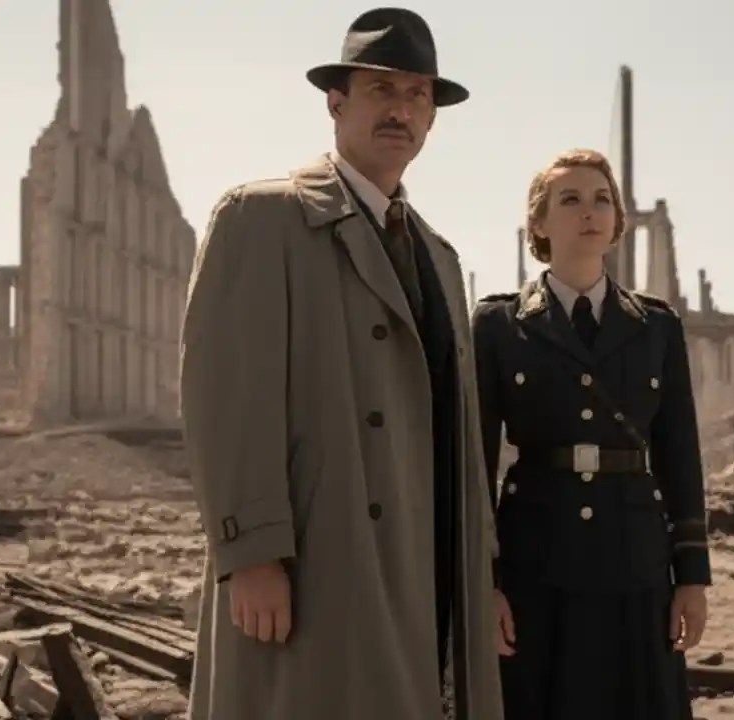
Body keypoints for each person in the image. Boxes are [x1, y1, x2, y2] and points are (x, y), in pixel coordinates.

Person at [178, 7, 502, 720]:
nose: (403, 110)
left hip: (423, 564)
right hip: (320, 557)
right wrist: (251, 553)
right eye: (382, 90)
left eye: (419, 94)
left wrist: (480, 570)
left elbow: (457, 431)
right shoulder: (262, 219)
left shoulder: (438, 257)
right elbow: (226, 398)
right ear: (336, 100)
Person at [471, 148, 712, 719]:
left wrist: (692, 578)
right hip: (536, 559)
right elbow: (475, 465)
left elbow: (680, 455)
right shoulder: (499, 325)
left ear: (618, 221)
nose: (589, 211)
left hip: (635, 561)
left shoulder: (656, 326)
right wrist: (486, 582)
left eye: (602, 199)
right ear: (538, 222)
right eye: (570, 199)